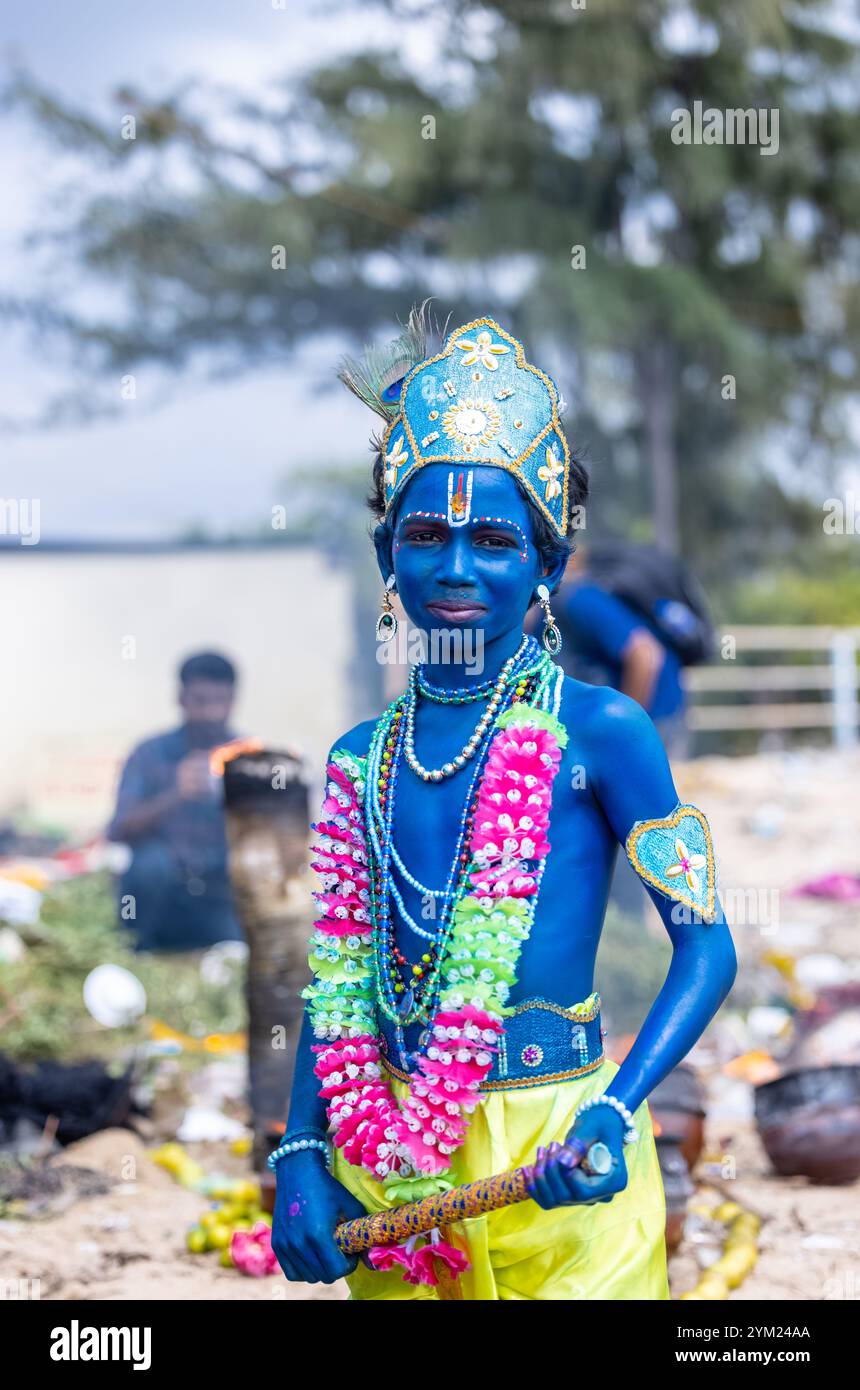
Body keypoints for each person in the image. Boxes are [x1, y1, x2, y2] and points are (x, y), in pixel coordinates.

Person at [271, 311, 736, 1300]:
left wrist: (612, 1110)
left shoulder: (604, 731)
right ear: (385, 553)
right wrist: (302, 1152)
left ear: (548, 566)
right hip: (390, 1172)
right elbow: (338, 983)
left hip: (561, 1153)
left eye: (492, 538)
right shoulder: (358, 757)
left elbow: (706, 947)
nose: (454, 568)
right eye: (425, 535)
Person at [107, 651, 243, 952]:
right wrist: (176, 794)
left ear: (233, 701)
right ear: (181, 699)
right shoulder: (149, 753)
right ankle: (136, 949)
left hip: (219, 894)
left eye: (220, 702)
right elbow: (118, 830)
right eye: (201, 701)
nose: (211, 713)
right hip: (163, 894)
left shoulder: (247, 757)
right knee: (151, 863)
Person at [555, 541, 715, 761]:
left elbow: (645, 655)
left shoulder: (579, 599)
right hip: (664, 712)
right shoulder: (577, 597)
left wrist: (625, 727)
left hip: (654, 719)